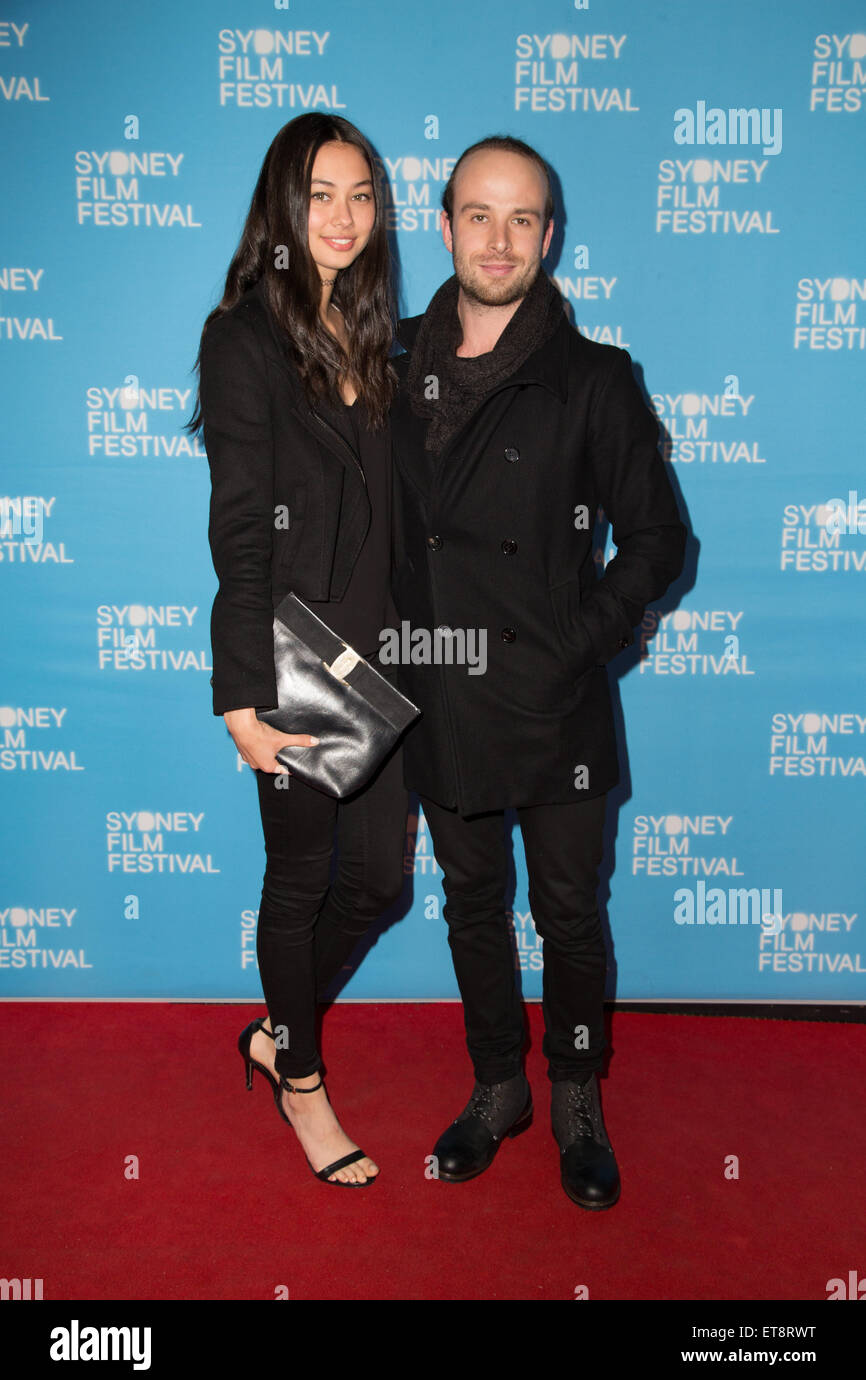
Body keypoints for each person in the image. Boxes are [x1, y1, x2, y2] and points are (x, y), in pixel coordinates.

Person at [388, 135, 687, 1208]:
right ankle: (496, 1086)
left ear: (549, 235)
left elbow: (658, 540)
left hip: (556, 701)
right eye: (479, 214)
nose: (500, 239)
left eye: (523, 219)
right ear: (445, 225)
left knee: (568, 915)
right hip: (438, 691)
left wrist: (581, 637)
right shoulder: (388, 364)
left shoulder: (595, 379)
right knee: (472, 906)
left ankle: (571, 1091)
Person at [187, 113, 408, 1187]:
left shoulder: (383, 338)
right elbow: (239, 529)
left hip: (381, 660)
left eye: (361, 194)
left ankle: (277, 1028)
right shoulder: (243, 339)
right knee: (304, 876)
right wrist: (241, 693)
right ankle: (304, 1083)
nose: (342, 216)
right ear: (282, 205)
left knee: (380, 883)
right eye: (320, 193)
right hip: (297, 656)